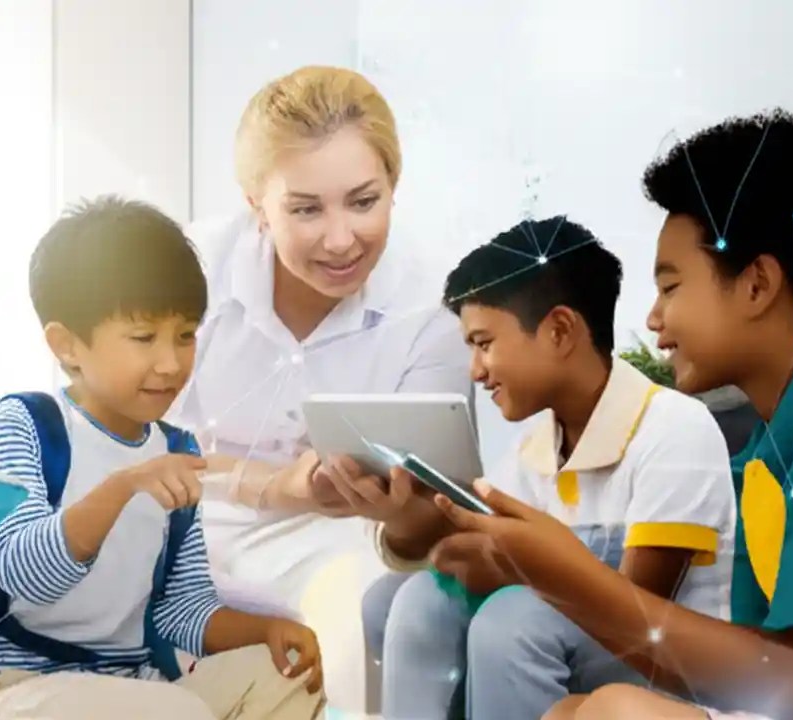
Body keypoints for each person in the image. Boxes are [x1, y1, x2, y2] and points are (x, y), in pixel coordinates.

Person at [429, 110, 793, 720]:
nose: (654, 319)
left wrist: (566, 574)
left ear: (757, 285)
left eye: (672, 286)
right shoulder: (775, 447)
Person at [317, 217, 735, 718]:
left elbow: (638, 613)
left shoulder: (673, 427)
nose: (475, 371)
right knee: (400, 600)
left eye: (484, 343)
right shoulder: (532, 451)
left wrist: (506, 570)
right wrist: (410, 519)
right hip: (585, 637)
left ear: (559, 331)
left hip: (663, 666)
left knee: (510, 622)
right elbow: (474, 556)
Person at [0, 197, 326, 720]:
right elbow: (23, 574)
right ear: (66, 345)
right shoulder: (22, 424)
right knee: (171, 712)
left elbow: (183, 609)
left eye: (185, 336)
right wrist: (124, 486)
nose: (170, 362)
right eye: (143, 338)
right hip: (11, 692)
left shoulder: (175, 449)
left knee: (284, 675)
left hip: (133, 689)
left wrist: (269, 631)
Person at [175, 65, 472, 710]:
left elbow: (430, 518)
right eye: (305, 210)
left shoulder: (435, 309)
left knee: (365, 607)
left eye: (364, 202)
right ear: (256, 204)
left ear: (395, 185)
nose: (341, 240)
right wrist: (273, 485)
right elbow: (132, 444)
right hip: (187, 519)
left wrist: (392, 510)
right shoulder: (191, 268)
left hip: (342, 537)